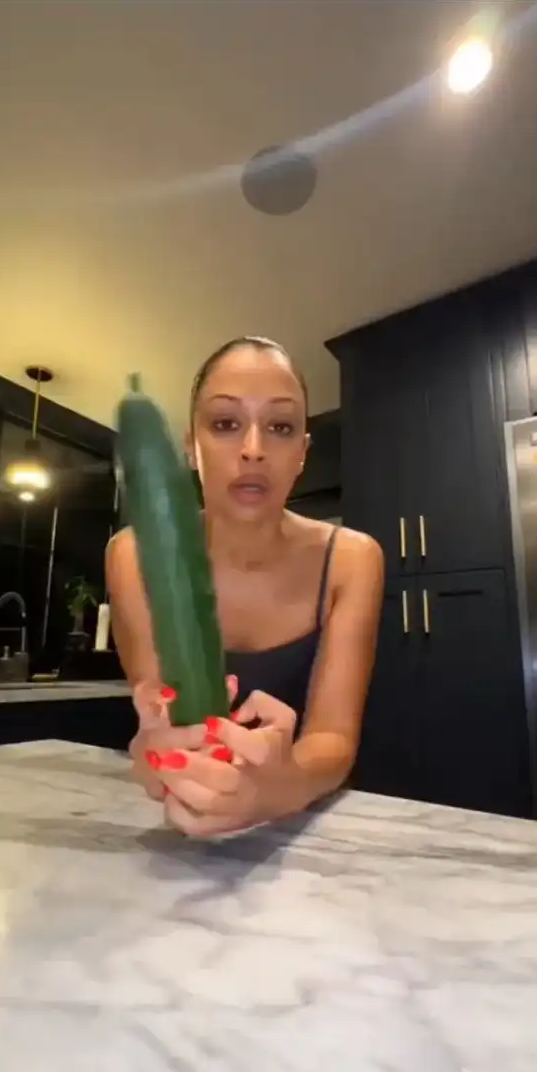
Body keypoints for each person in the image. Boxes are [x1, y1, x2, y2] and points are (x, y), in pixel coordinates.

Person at [106, 335, 384, 836]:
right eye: (225, 424)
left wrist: (280, 787)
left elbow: (333, 737)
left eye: (280, 427)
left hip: (312, 833)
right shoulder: (133, 554)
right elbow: (162, 712)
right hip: (185, 828)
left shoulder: (352, 559)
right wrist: (162, 753)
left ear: (302, 454)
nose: (254, 450)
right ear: (191, 447)